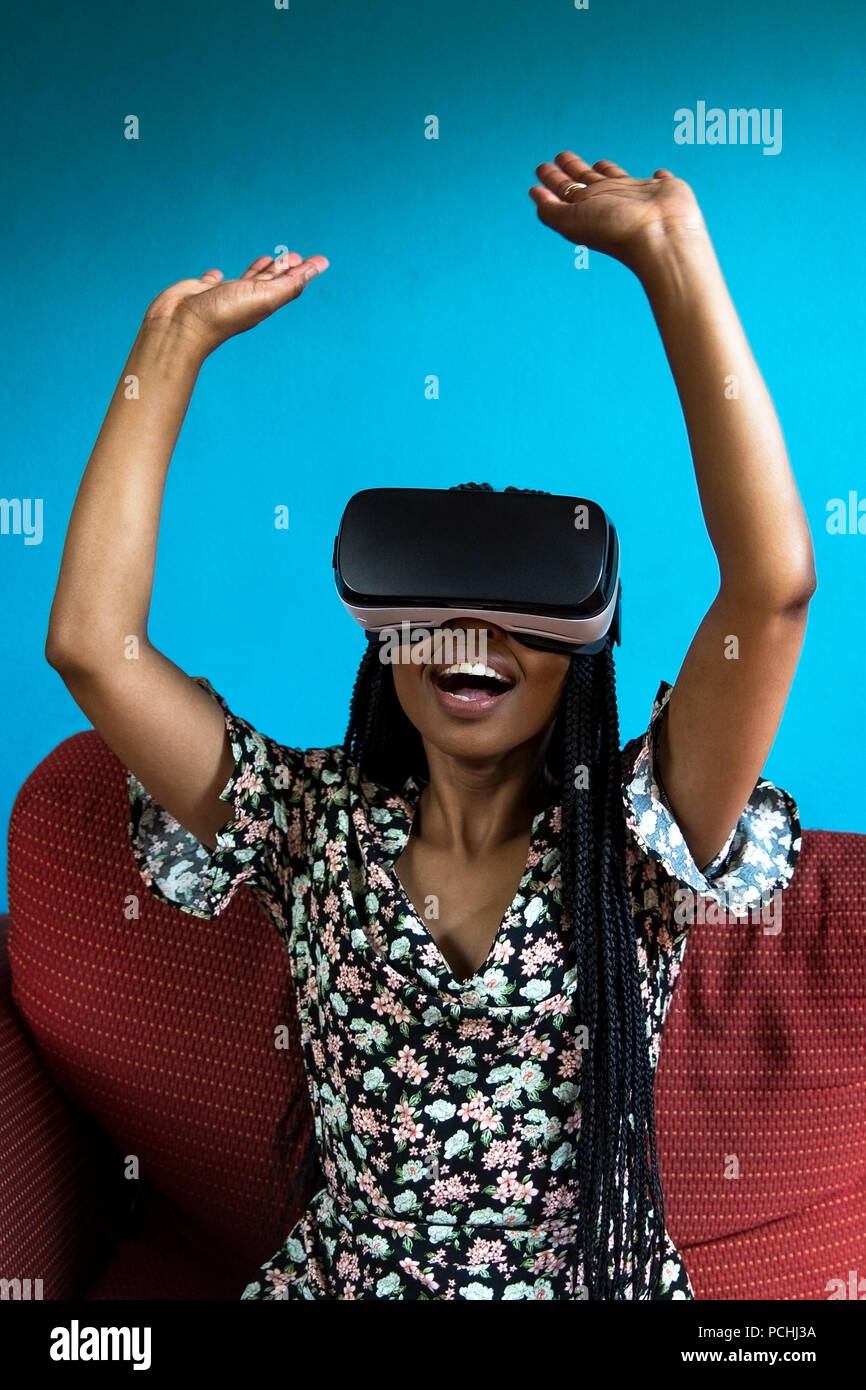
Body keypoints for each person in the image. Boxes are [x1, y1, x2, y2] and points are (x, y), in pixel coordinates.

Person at [45, 151, 816, 1299]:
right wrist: (170, 349)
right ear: (383, 637)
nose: (469, 643)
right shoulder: (301, 826)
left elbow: (771, 588)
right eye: (434, 614)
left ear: (582, 649)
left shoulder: (636, 846)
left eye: (515, 617)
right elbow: (90, 649)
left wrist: (669, 258)